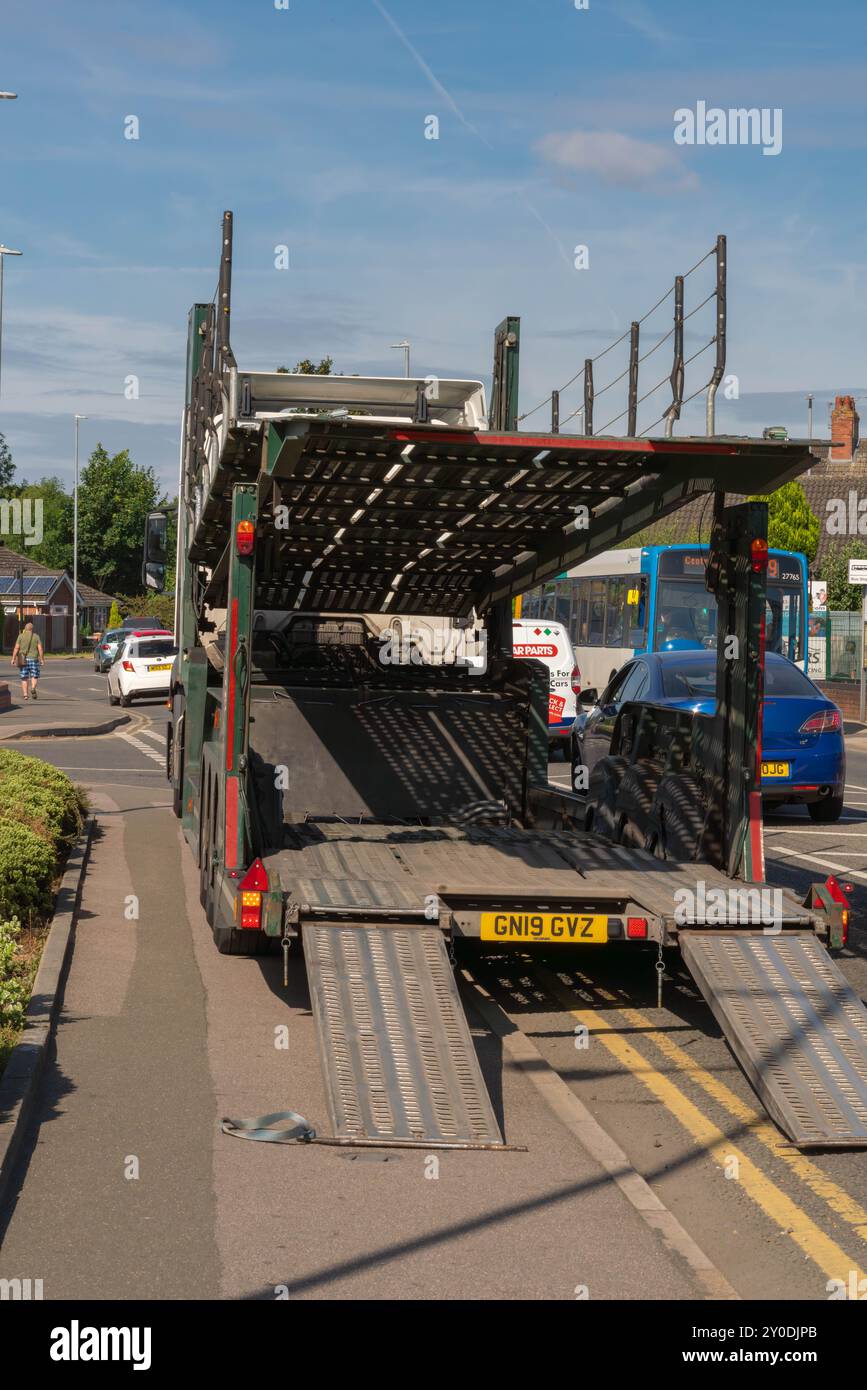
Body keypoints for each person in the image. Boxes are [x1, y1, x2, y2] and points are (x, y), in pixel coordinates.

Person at [11, 621, 44, 702]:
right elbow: (40, 648)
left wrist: (13, 658)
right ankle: (33, 688)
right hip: (34, 659)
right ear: (32, 629)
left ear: (25, 629)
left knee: (24, 678)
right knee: (34, 676)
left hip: (23, 660)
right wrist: (42, 659)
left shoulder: (21, 636)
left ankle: (25, 695)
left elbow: (16, 648)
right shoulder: (36, 636)